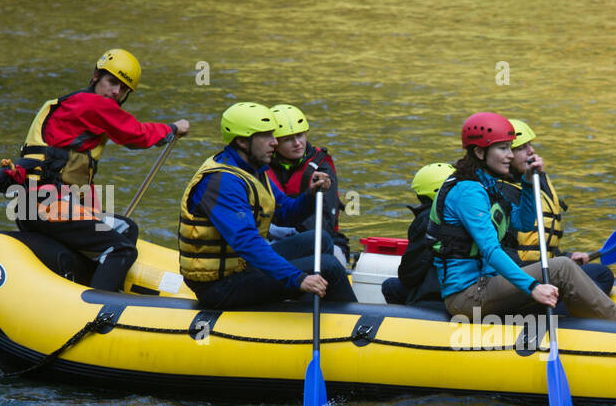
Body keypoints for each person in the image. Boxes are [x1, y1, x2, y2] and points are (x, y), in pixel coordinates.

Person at [0, 49, 189, 290]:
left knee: (126, 228)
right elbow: (136, 135)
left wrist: (90, 211)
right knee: (121, 248)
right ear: (96, 76)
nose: (116, 92)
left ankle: (95, 286)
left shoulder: (70, 104)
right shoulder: (92, 105)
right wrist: (172, 129)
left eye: (124, 89)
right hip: (47, 206)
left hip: (37, 206)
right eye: (112, 82)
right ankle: (98, 306)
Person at [432, 112, 616, 322]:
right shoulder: (468, 191)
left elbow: (523, 224)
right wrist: (533, 287)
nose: (510, 155)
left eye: (510, 147)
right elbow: (490, 251)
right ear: (480, 152)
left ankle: (602, 329)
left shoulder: (487, 184)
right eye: (503, 148)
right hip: (467, 296)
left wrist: (527, 183)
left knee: (576, 271)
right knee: (562, 267)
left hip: (487, 283)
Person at [178, 102, 356, 310]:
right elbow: (247, 242)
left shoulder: (253, 170)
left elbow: (285, 212)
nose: (274, 142)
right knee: (329, 266)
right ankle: (358, 326)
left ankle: (304, 310)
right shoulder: (223, 181)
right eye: (267, 136)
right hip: (221, 286)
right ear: (243, 142)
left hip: (242, 267)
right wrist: (297, 278)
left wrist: (311, 194)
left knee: (321, 239)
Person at [498, 119, 614, 297]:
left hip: (544, 268)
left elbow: (540, 240)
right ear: (505, 155)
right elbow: (504, 249)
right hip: (522, 275)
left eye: (530, 145)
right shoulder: (502, 193)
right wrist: (535, 284)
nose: (531, 152)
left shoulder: (537, 183)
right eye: (522, 148)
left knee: (602, 274)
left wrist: (566, 257)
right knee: (595, 280)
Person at [265, 104, 349, 261]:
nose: (297, 143)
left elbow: (326, 220)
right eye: (288, 139)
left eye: (300, 135)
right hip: (273, 239)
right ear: (274, 142)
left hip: (321, 239)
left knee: (334, 259)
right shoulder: (260, 165)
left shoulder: (320, 165)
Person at [381, 162, 454, 306]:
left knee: (390, 286)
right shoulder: (466, 212)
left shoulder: (427, 221)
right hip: (463, 288)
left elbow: (408, 274)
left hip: (437, 295)